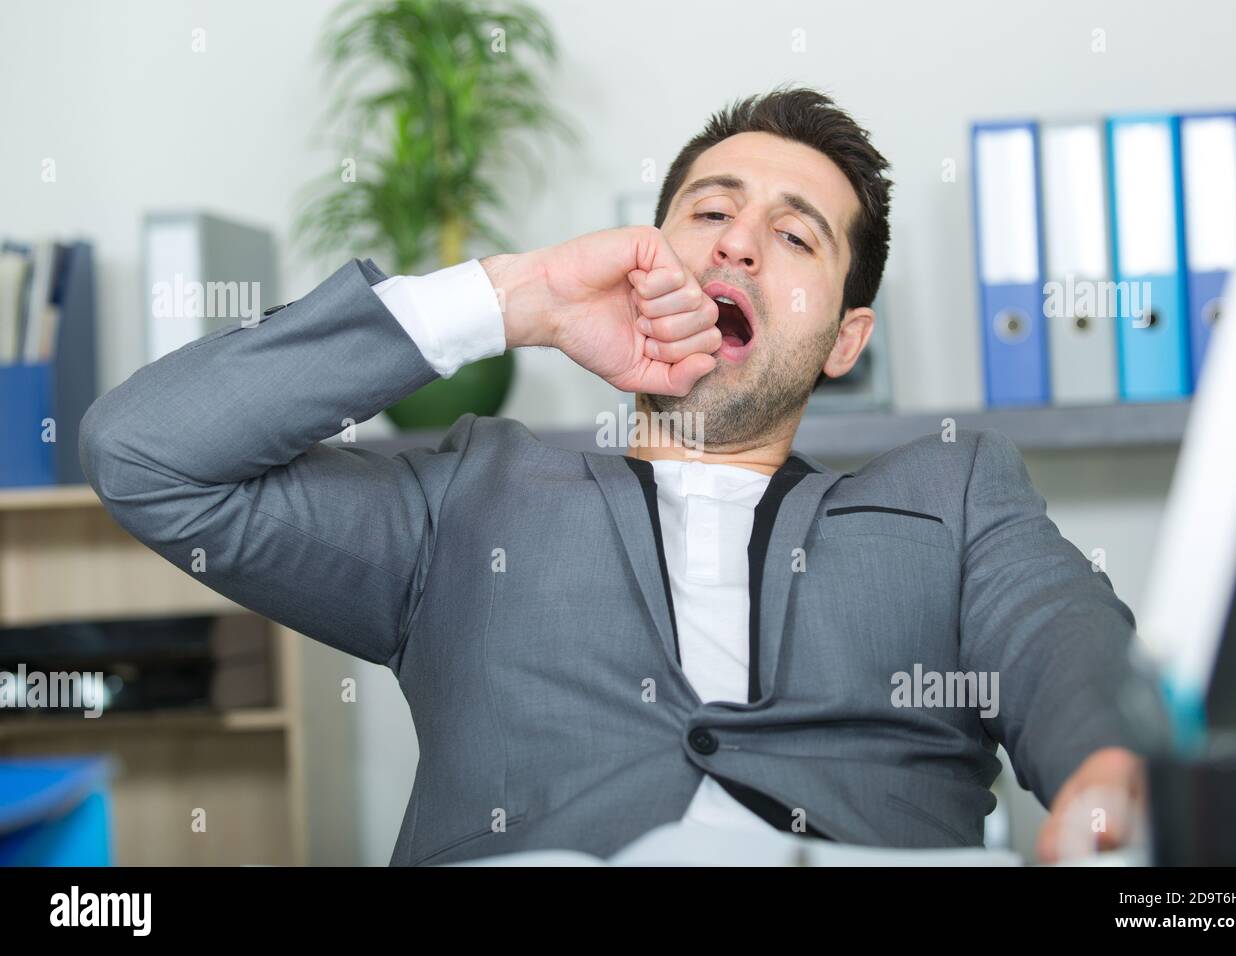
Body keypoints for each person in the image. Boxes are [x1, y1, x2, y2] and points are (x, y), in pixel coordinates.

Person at [80, 87, 1144, 865]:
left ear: (844, 337)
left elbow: (1071, 656)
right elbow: (148, 455)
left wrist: (1108, 780)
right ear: (651, 252)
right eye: (709, 211)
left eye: (792, 236)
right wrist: (516, 294)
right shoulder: (470, 494)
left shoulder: (950, 496)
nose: (736, 246)